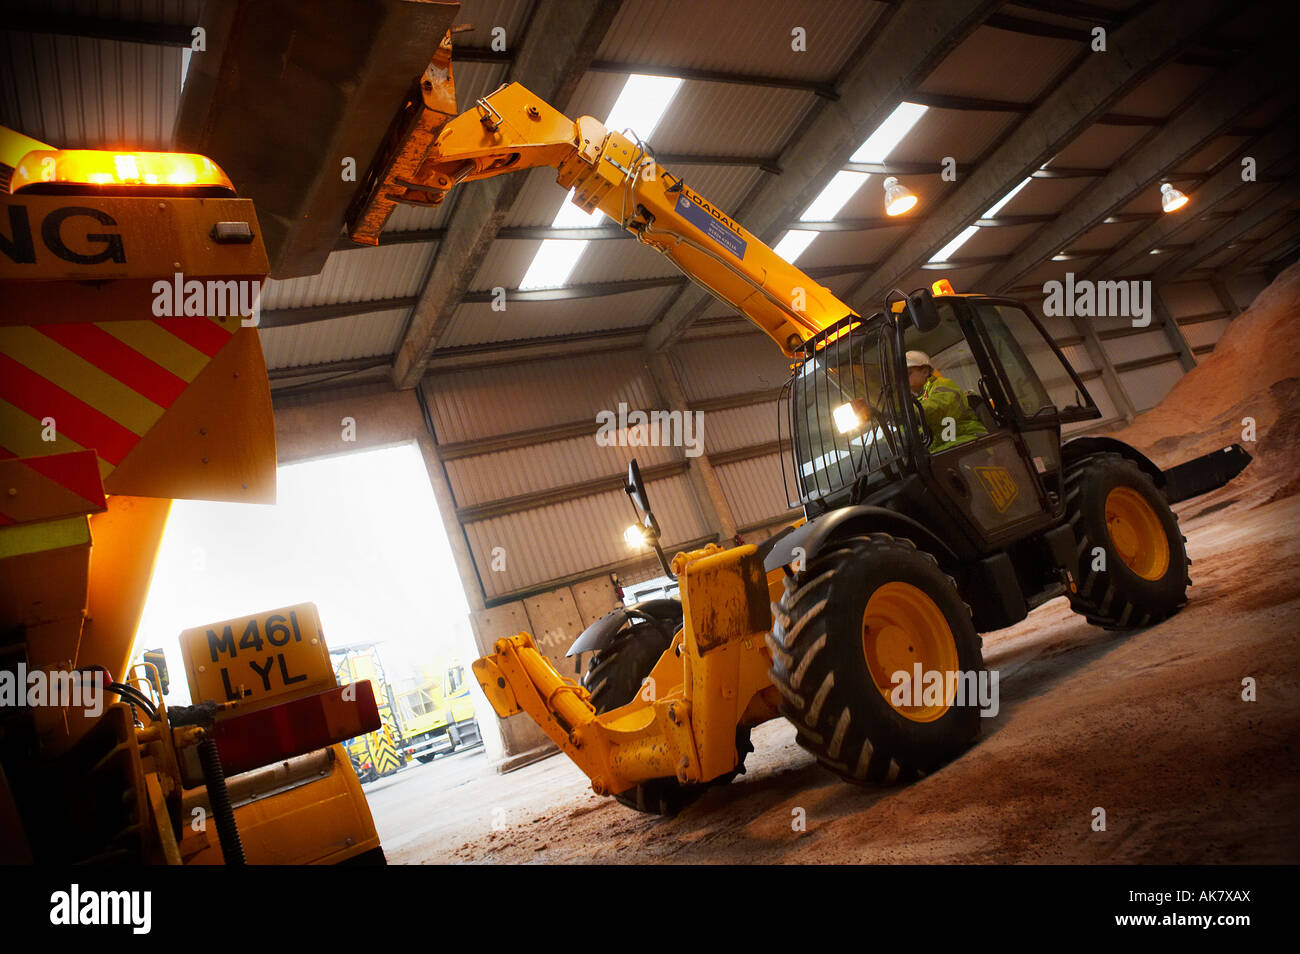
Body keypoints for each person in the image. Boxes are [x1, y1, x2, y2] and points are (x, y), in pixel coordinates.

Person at [906, 350, 987, 452]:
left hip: (970, 444)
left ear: (925, 371)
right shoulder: (916, 400)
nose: (904, 380)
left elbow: (939, 407)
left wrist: (905, 411)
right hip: (944, 451)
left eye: (908, 374)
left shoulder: (943, 385)